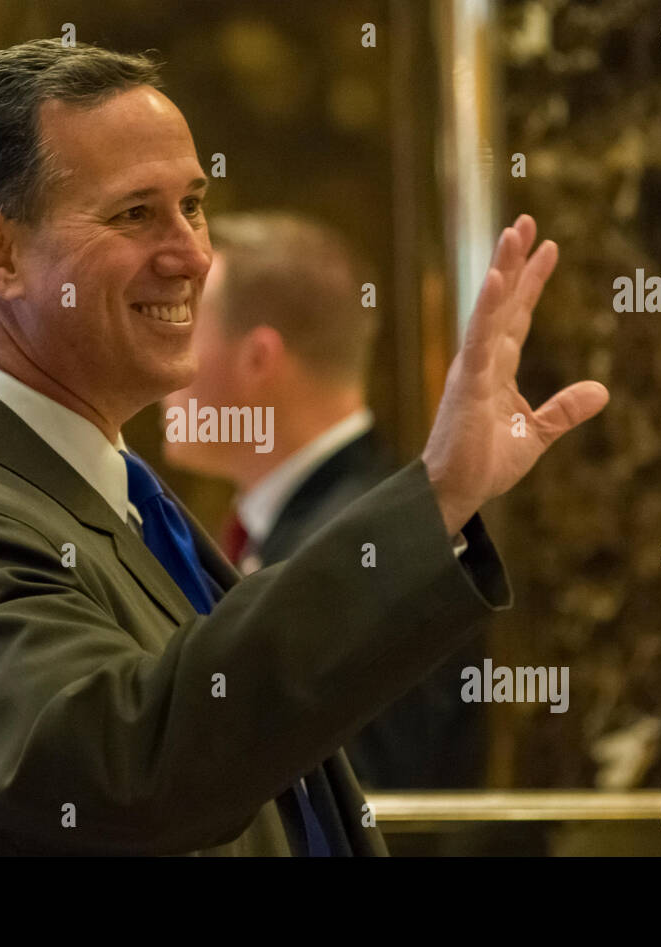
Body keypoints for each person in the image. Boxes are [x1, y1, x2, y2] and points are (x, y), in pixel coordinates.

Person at [0, 39, 609, 856]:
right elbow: (137, 766)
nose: (193, 253)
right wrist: (436, 493)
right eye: (135, 213)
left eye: (192, 204)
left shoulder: (109, 490)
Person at [162, 211, 485, 789]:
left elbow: (350, 803)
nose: (166, 368)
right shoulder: (321, 523)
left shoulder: (366, 546)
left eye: (184, 331)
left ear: (259, 358)